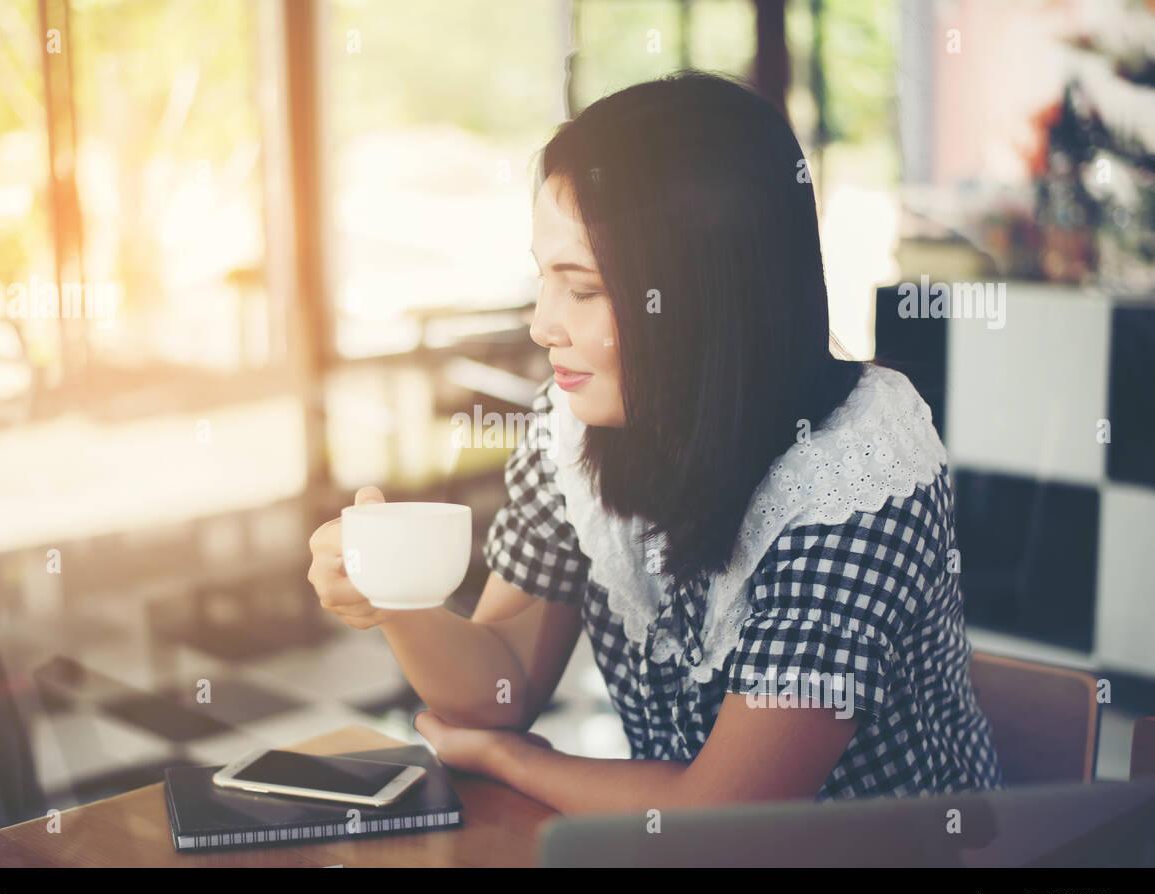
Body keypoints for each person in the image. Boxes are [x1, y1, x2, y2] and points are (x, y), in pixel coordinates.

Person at [307, 70, 1002, 814]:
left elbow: (727, 815)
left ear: (701, 297)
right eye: (545, 279)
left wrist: (511, 761)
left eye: (583, 288)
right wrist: (394, 599)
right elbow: (500, 684)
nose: (544, 325)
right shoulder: (577, 428)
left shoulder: (856, 477)